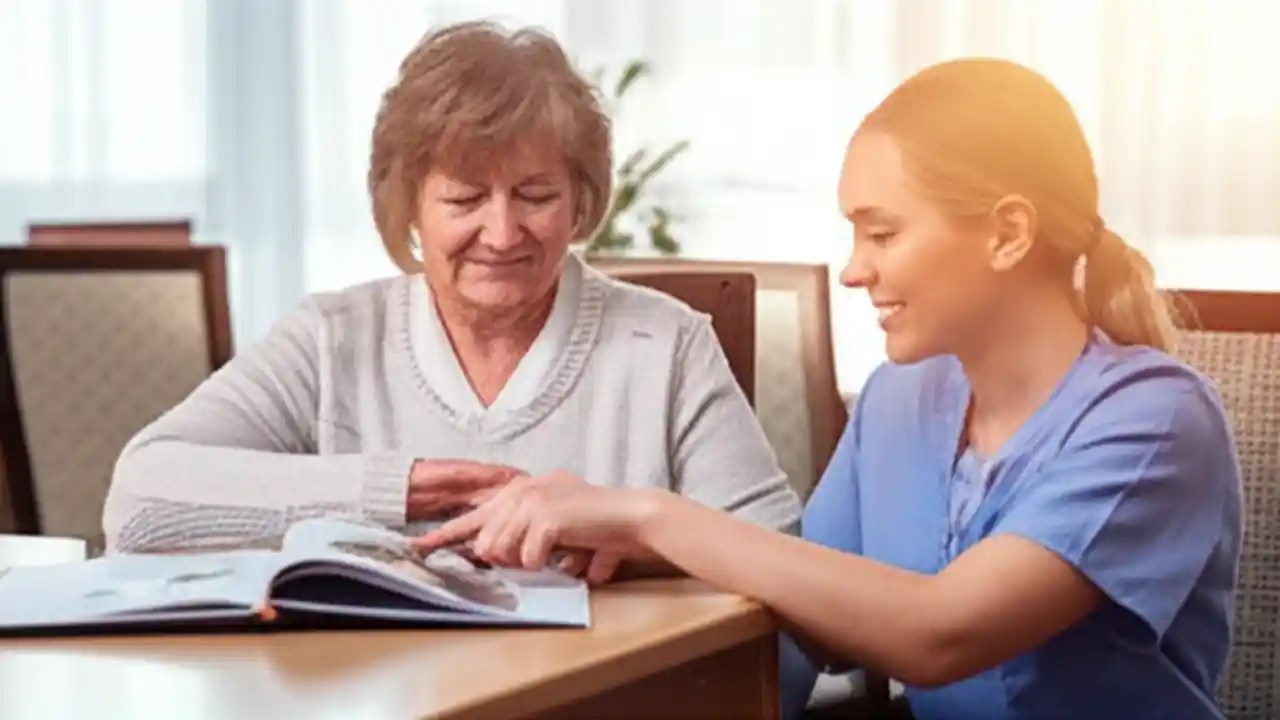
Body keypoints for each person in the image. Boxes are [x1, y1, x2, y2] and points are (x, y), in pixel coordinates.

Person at [418, 58, 1242, 720]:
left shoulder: (1156, 423)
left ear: (1008, 233)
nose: (854, 269)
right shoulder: (900, 400)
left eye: (882, 231)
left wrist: (650, 513)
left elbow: (938, 635)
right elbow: (812, 626)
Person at [101, 21, 801, 583]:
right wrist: (403, 489)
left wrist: (633, 538)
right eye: (465, 199)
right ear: (408, 204)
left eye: (536, 196)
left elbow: (781, 559)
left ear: (581, 199)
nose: (501, 233)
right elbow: (139, 504)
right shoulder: (332, 338)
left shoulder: (666, 343)